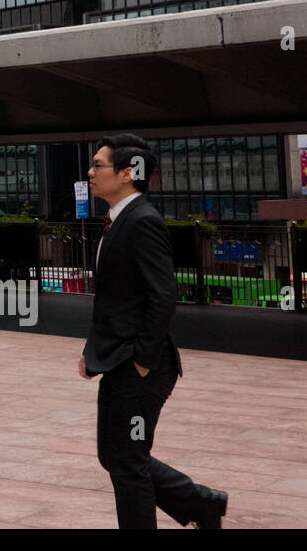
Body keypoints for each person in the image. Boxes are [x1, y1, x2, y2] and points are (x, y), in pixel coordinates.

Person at [79, 133, 228, 530]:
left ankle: (201, 504)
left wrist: (143, 360)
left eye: (99, 165)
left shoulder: (142, 221)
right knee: (115, 456)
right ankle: (201, 504)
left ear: (128, 174)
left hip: (141, 369)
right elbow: (116, 300)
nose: (90, 172)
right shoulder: (119, 220)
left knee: (127, 462)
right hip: (120, 361)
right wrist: (93, 349)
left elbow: (163, 296)